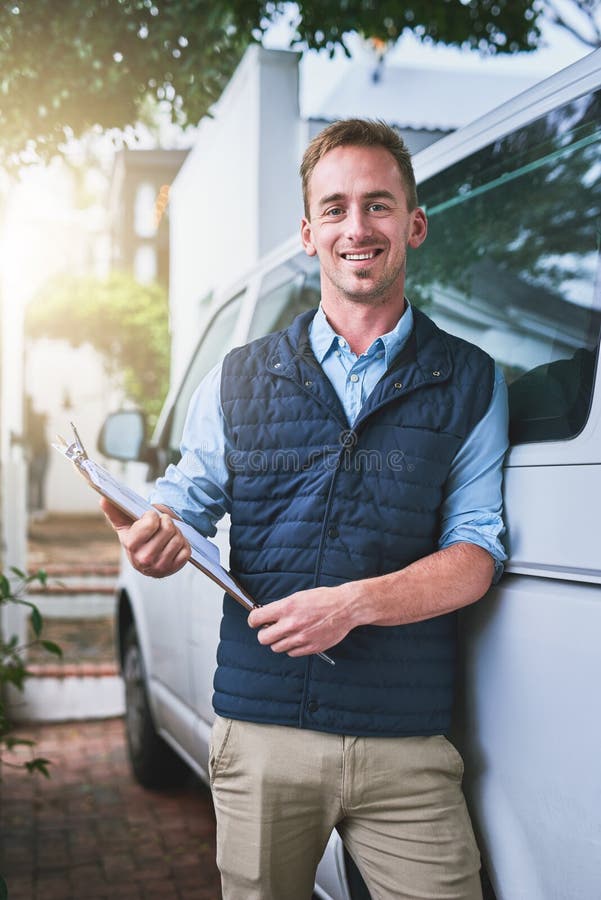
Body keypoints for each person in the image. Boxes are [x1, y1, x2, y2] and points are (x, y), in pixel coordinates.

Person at [102, 118, 508, 900]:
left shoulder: (472, 379)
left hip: (406, 746)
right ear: (307, 233)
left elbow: (476, 552)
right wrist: (156, 532)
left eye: (378, 205)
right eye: (334, 208)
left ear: (413, 225)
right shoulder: (238, 376)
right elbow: (187, 498)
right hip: (262, 736)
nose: (356, 227)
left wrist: (352, 604)